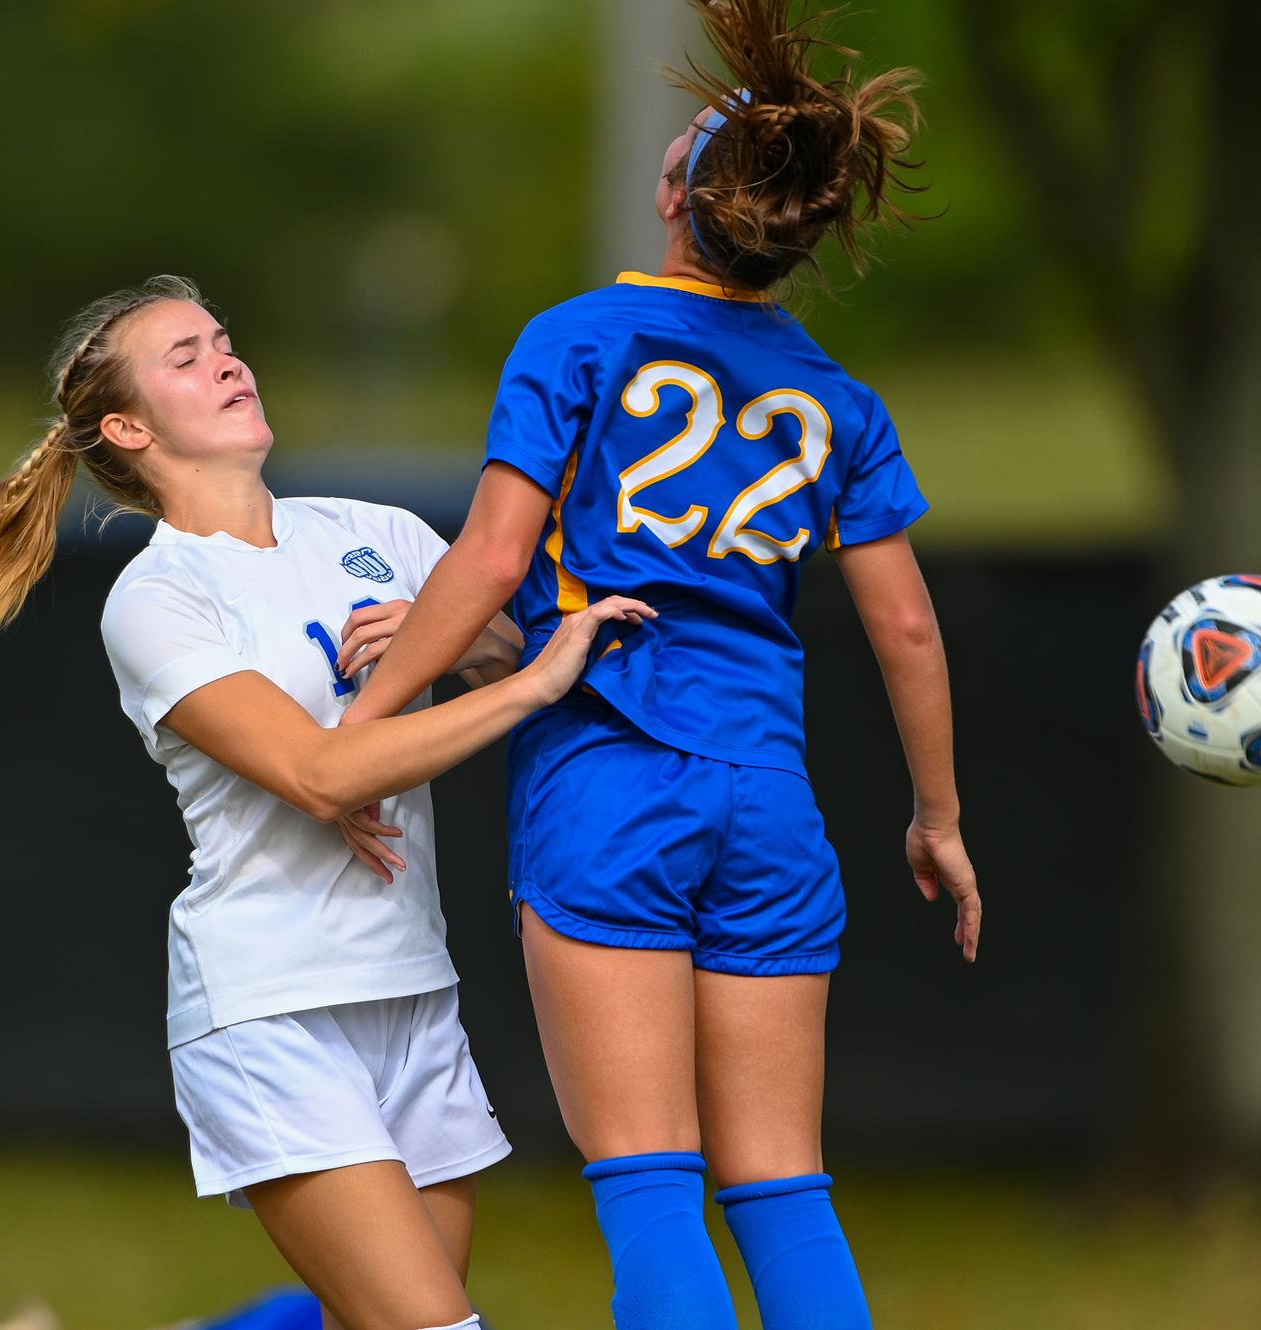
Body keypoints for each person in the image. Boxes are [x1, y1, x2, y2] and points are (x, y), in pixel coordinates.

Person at [333, 3, 982, 1326]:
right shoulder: (841, 400)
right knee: (784, 1188)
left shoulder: (577, 338)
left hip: (613, 773)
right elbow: (908, 629)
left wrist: (365, 731)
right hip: (769, 798)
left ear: (675, 194)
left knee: (648, 1184)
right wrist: (938, 816)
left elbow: (489, 556)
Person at [0, 276, 651, 1330]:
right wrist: (527, 685)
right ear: (128, 428)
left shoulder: (376, 530)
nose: (226, 360)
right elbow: (319, 774)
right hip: (272, 1007)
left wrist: (473, 643)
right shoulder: (158, 595)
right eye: (184, 357)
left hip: (412, 986)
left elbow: (503, 659)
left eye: (223, 341)